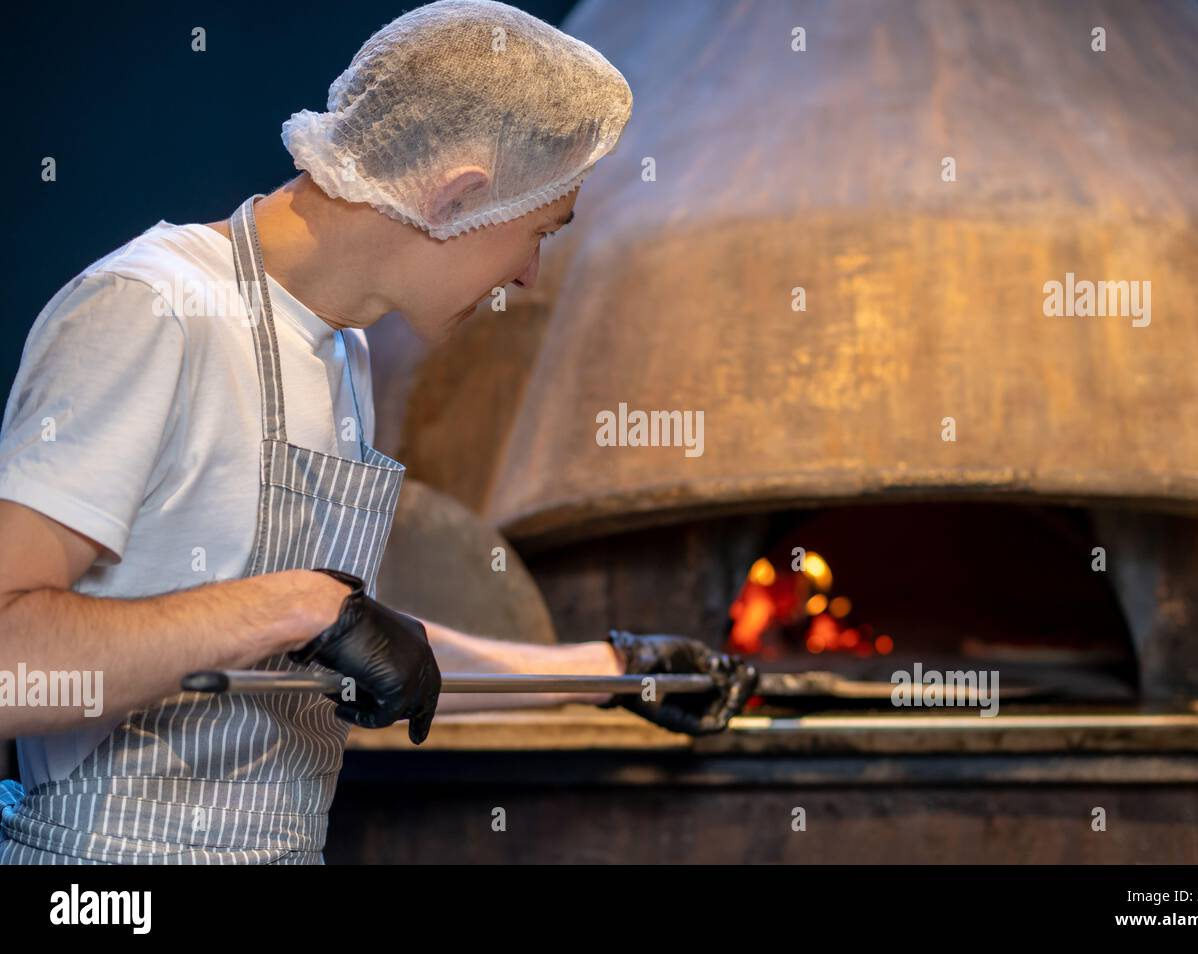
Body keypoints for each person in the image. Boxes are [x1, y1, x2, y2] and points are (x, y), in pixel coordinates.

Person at [0, 0, 756, 865]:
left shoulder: (342, 355)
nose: (529, 276)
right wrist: (293, 607)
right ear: (457, 194)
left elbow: (355, 646)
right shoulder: (154, 308)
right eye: (538, 232)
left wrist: (615, 671)